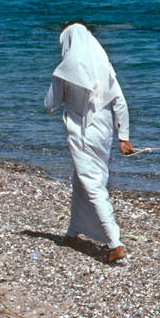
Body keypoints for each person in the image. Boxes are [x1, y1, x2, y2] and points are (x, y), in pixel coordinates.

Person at [44, 23, 135, 263]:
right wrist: (123, 136)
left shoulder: (65, 71)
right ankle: (73, 232)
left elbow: (49, 105)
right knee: (81, 178)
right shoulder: (104, 67)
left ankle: (114, 242)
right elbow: (120, 103)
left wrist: (57, 82)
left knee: (92, 183)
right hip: (103, 131)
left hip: (81, 132)